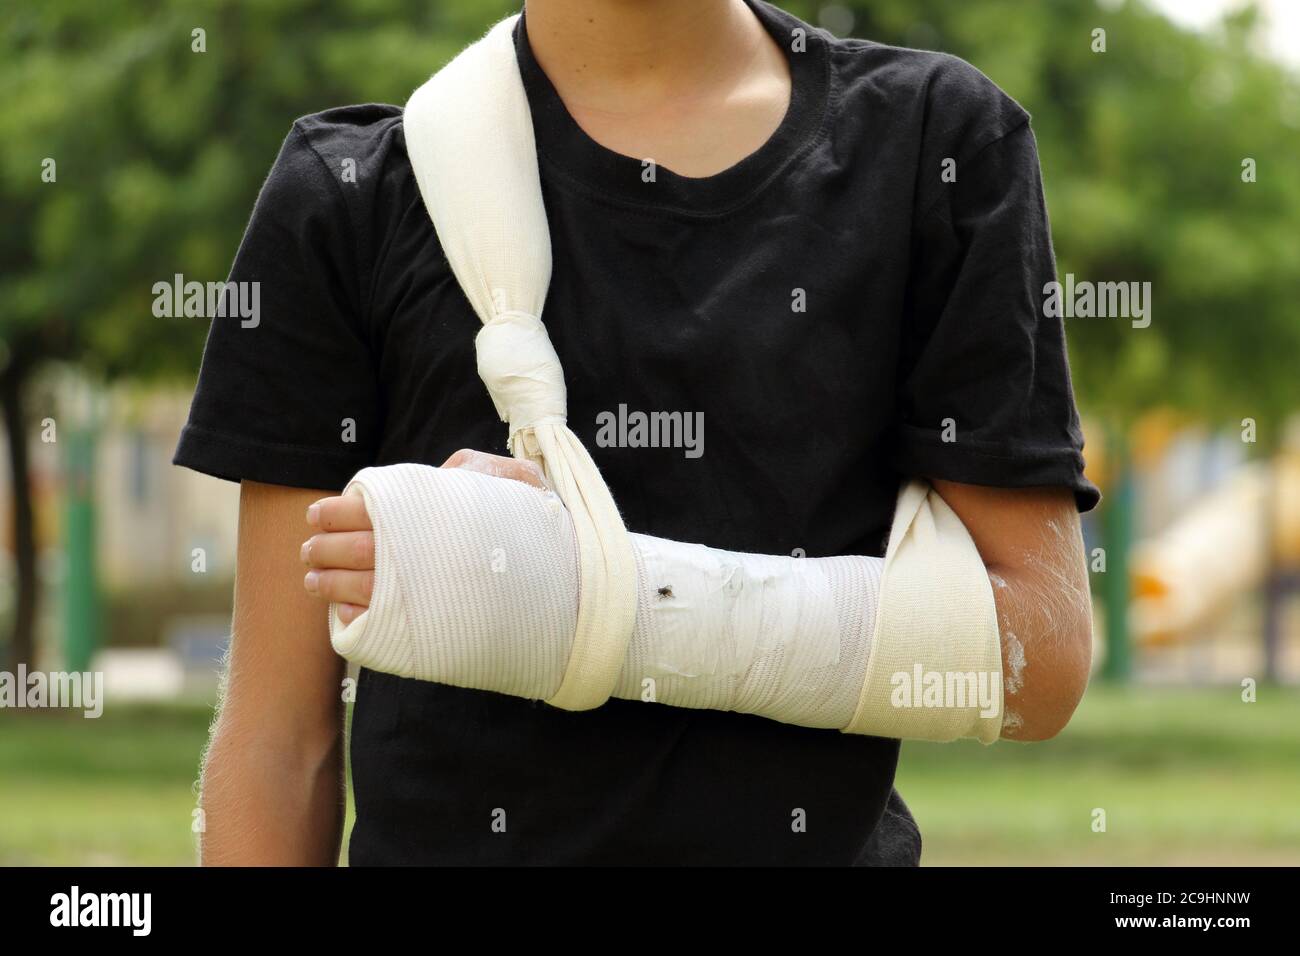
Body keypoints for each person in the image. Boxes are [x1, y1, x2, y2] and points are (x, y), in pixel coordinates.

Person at [175, 0, 1099, 866]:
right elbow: (278, 739)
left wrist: (583, 597)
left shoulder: (938, 145)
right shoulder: (350, 192)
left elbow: (1039, 662)